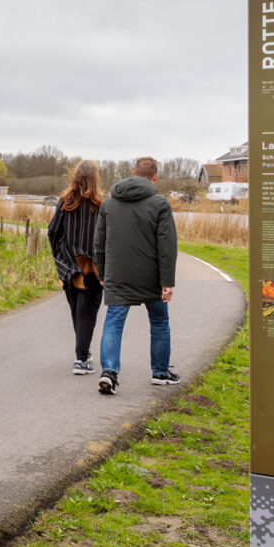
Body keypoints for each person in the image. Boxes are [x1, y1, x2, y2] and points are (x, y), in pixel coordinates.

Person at [92, 157, 178, 395]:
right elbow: (167, 246)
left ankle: (109, 371)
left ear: (131, 173)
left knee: (113, 323)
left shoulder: (109, 204)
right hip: (151, 275)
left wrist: (102, 272)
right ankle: (160, 373)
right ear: (155, 177)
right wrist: (167, 282)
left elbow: (99, 242)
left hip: (118, 275)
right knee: (159, 322)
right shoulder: (160, 204)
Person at [47, 160, 105, 376]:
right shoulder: (101, 204)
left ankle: (84, 351)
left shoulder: (65, 202)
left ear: (75, 176)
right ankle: (81, 359)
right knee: (87, 313)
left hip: (70, 266)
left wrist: (60, 259)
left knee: (77, 311)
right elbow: (106, 237)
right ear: (95, 178)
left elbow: (53, 232)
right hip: (92, 267)